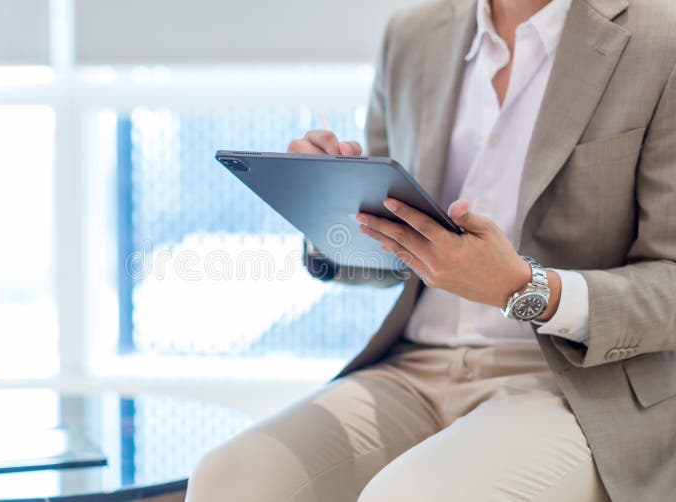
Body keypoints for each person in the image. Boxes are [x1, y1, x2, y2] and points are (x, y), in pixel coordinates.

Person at [186, 0, 676, 500]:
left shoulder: (663, 37)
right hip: (414, 369)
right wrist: (330, 208)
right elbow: (386, 253)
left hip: (575, 382)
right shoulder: (413, 35)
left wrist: (525, 288)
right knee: (230, 478)